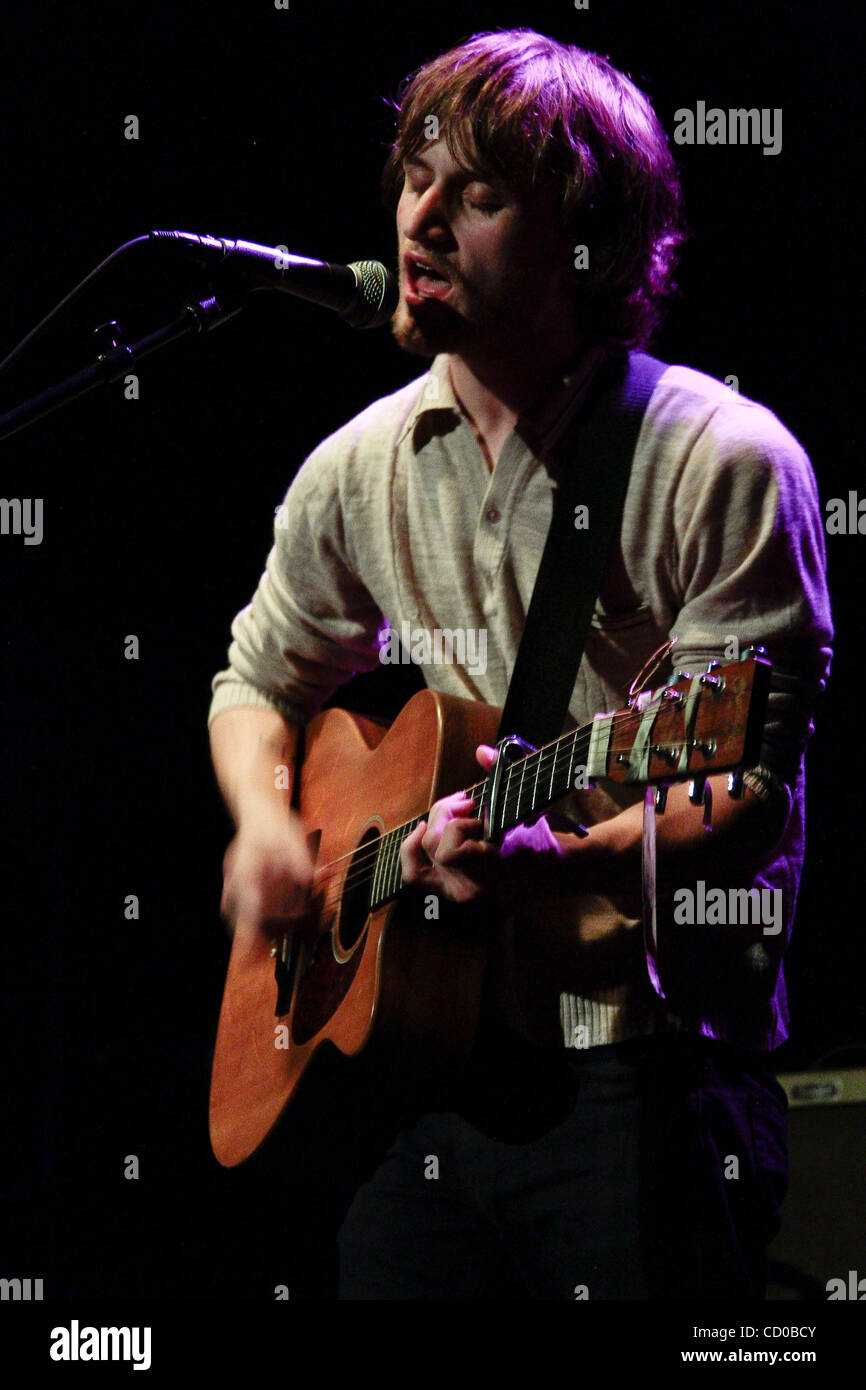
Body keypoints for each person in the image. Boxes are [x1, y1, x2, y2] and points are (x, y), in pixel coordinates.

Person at [208, 29, 833, 1299]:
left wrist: (568, 860)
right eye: (415, 179)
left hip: (639, 1069)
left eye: (479, 195)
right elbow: (256, 682)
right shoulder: (354, 466)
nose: (422, 220)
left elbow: (746, 795)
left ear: (582, 243)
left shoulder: (719, 459)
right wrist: (266, 829)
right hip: (414, 1086)